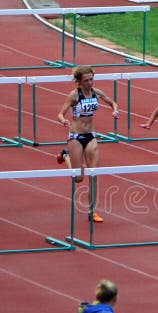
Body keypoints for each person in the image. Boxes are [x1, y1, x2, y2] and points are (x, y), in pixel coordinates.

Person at [57, 65, 119, 223]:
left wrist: (115, 110)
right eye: (86, 80)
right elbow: (60, 114)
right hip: (76, 137)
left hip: (91, 135)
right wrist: (63, 120)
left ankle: (92, 211)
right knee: (78, 178)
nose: (90, 83)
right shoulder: (74, 95)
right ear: (78, 81)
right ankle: (65, 155)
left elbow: (112, 102)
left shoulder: (96, 92)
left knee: (94, 175)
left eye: (91, 79)